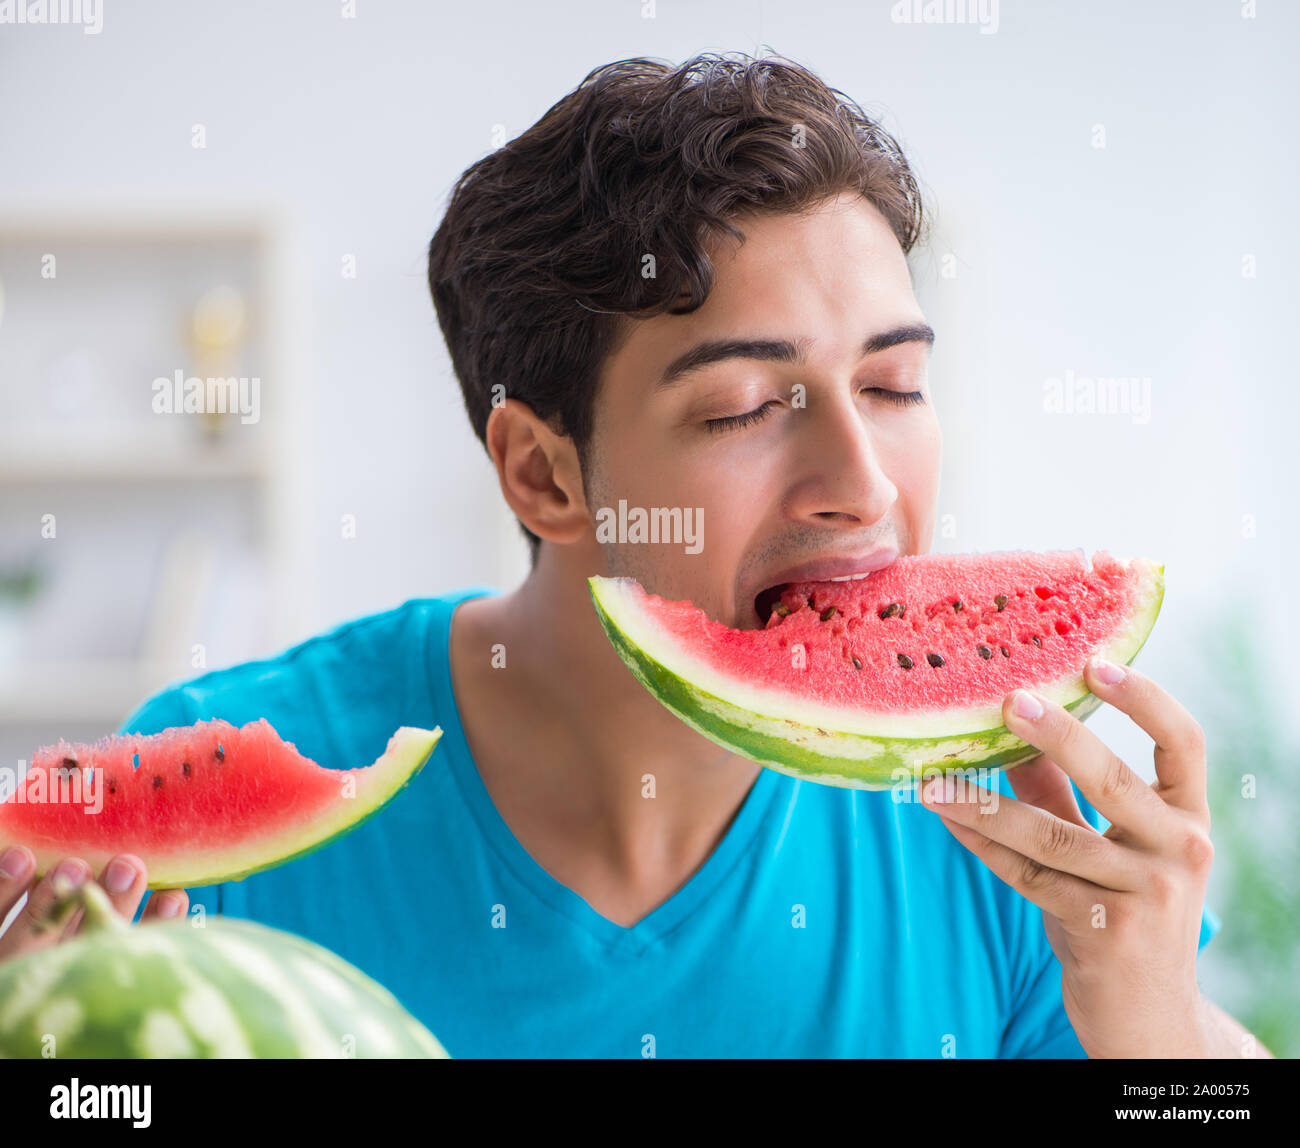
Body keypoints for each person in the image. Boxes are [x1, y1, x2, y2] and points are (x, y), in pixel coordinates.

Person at [0, 51, 1267, 1059]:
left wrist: (1155, 1029)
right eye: (740, 408)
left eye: (893, 382)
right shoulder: (206, 836)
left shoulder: (1027, 833)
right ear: (542, 471)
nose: (864, 485)